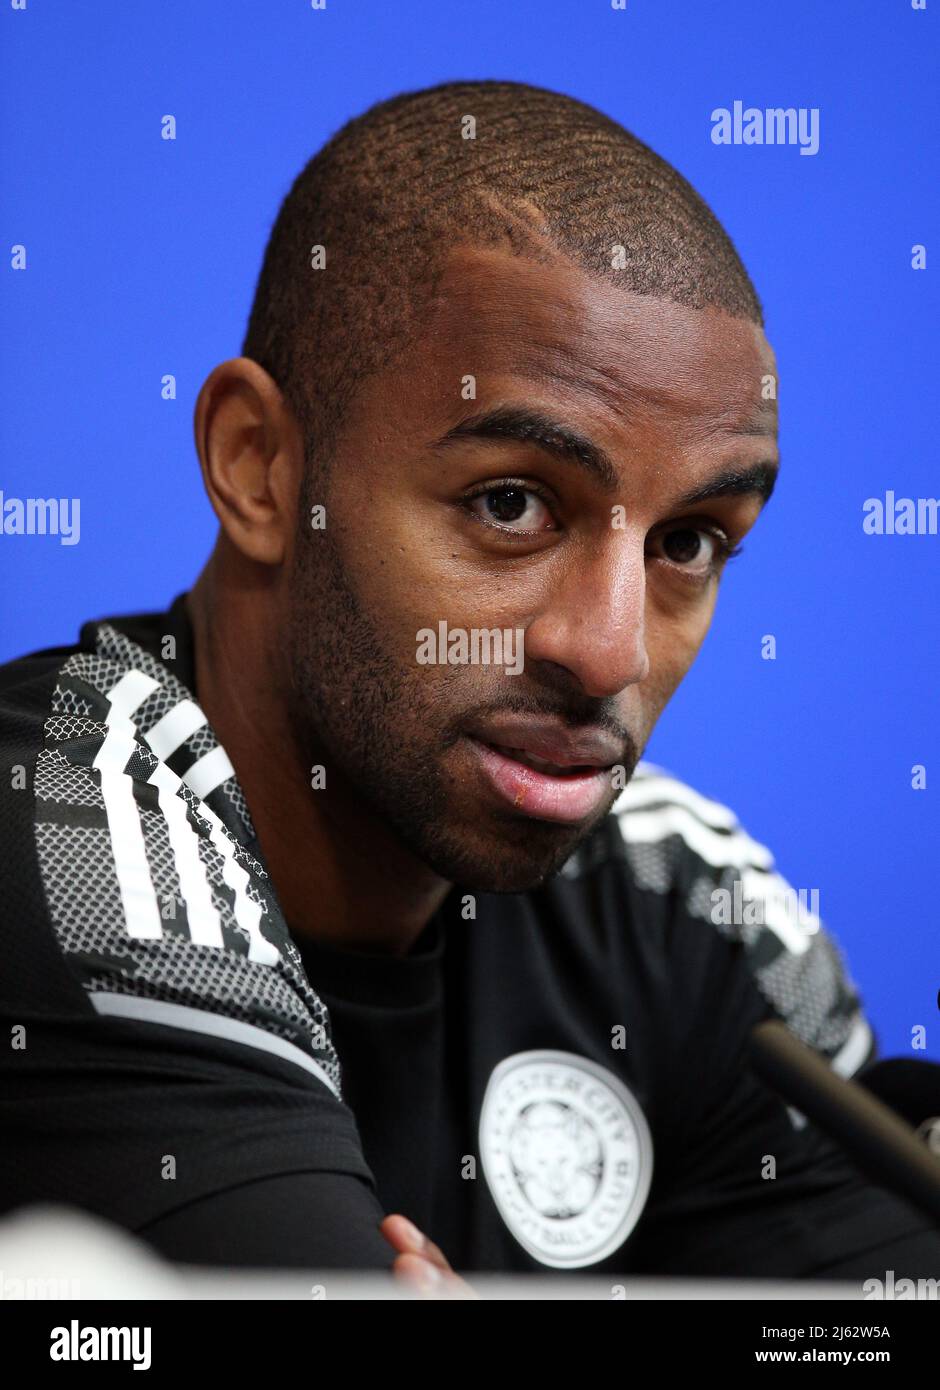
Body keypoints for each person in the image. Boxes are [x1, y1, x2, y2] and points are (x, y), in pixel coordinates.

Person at [1, 79, 937, 1292]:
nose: (608, 654)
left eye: (687, 543)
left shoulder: (677, 899)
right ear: (260, 468)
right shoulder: (71, 822)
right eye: (512, 505)